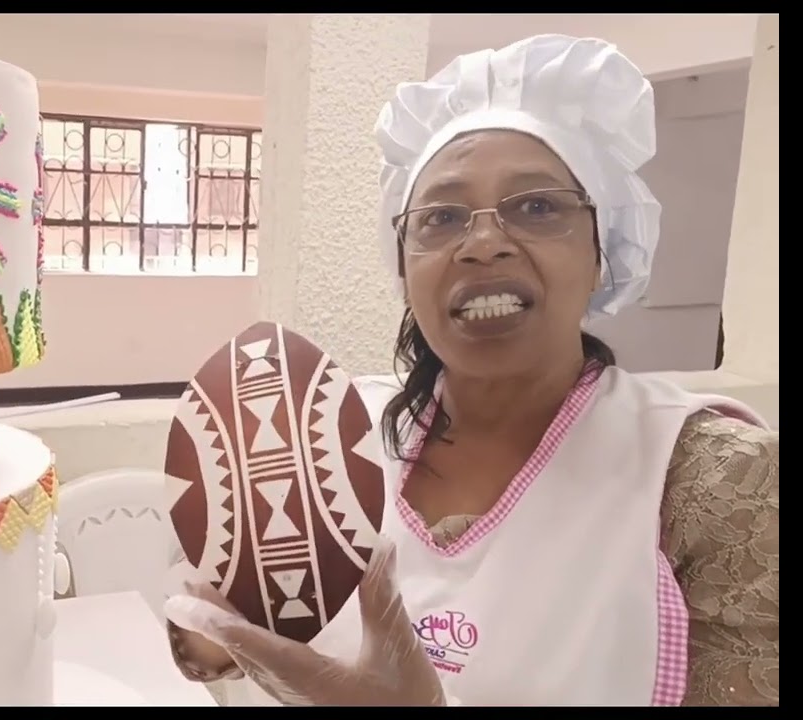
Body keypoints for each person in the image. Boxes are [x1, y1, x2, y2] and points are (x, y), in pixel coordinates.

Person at [164, 34, 778, 707]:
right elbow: (222, 638)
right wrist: (214, 638)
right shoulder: (335, 436)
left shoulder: (716, 480)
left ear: (603, 251)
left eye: (538, 206)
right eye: (442, 217)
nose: (483, 243)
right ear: (402, 265)